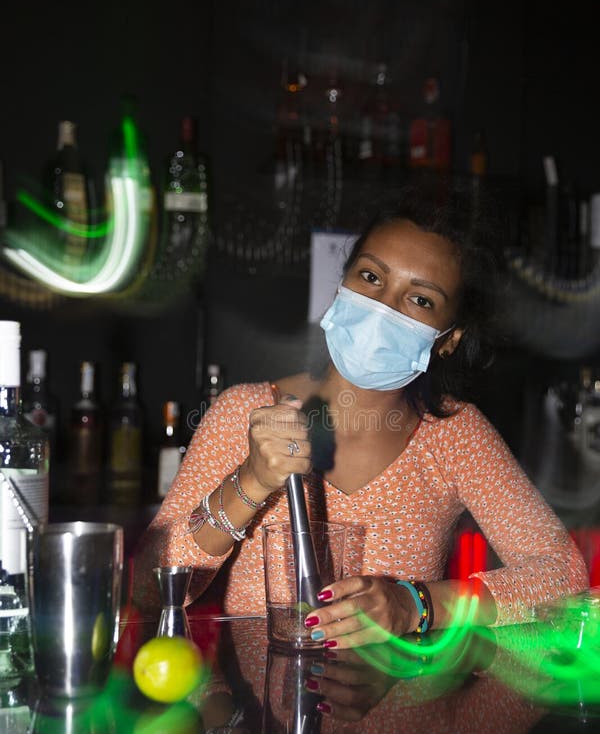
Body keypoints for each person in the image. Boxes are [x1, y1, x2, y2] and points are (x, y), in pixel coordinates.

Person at [132, 182, 588, 645]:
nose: (381, 309)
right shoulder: (246, 412)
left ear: (449, 338)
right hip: (263, 709)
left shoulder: (455, 434)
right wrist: (251, 481)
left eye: (420, 299)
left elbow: (562, 575)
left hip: (404, 708)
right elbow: (150, 589)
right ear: (342, 283)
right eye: (371, 278)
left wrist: (414, 604)